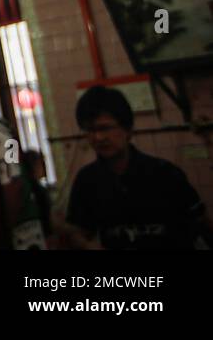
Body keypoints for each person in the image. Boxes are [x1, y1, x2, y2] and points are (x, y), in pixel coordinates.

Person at [63, 85, 211, 250]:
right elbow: (78, 231)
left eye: (105, 128)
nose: (98, 137)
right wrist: (85, 244)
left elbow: (201, 222)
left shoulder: (165, 173)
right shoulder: (87, 180)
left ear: (127, 129)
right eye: (90, 130)